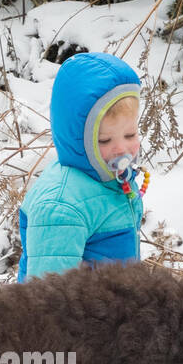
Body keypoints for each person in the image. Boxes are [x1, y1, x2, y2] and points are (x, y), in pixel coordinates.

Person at [17, 51, 150, 282]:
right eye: (105, 140)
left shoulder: (112, 180)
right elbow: (45, 301)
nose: (122, 149)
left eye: (130, 134)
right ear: (78, 140)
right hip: (79, 317)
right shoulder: (60, 208)